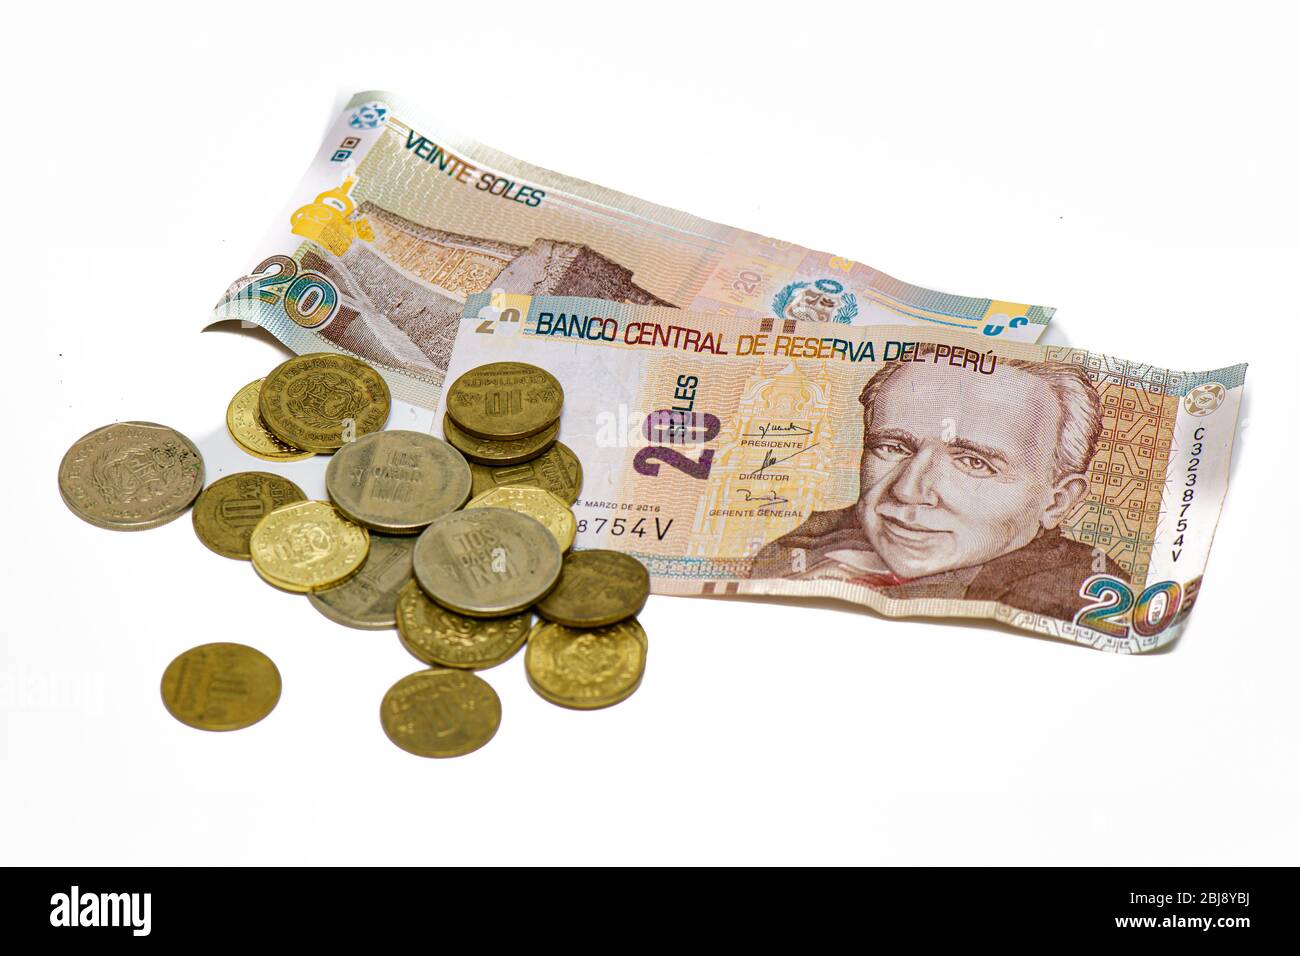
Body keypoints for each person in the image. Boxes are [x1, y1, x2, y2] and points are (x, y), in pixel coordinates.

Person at [751, 344, 1125, 620]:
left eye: (974, 463)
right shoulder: (800, 548)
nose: (908, 490)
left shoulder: (1082, 598)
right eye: (894, 446)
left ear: (1057, 502)